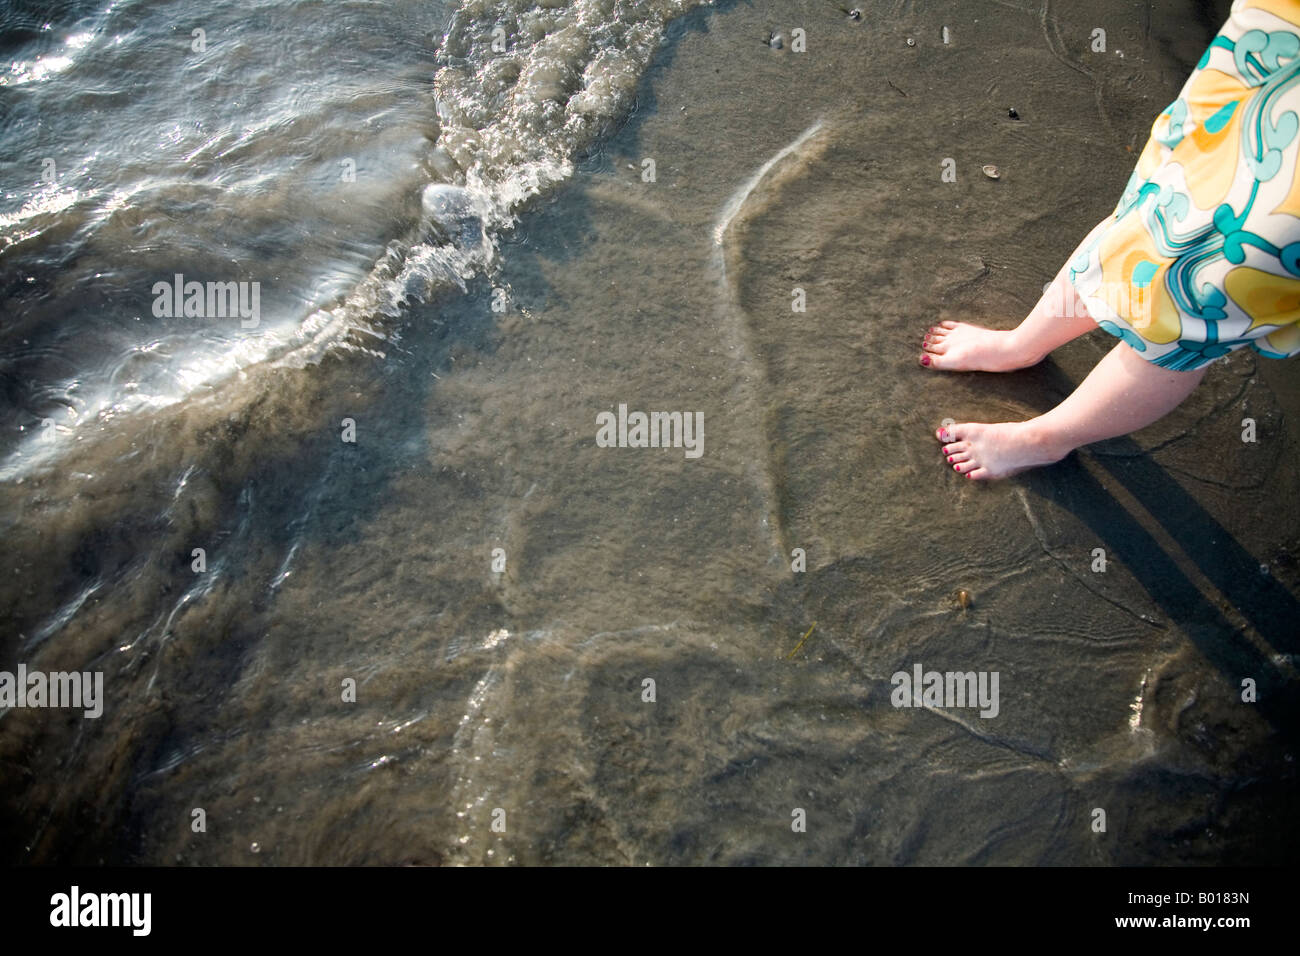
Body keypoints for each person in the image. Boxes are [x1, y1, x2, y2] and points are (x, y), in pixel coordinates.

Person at [924, 0, 1300, 479]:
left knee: (1206, 302)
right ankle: (1022, 345)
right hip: (1281, 34)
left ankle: (1046, 438)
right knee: (1152, 212)